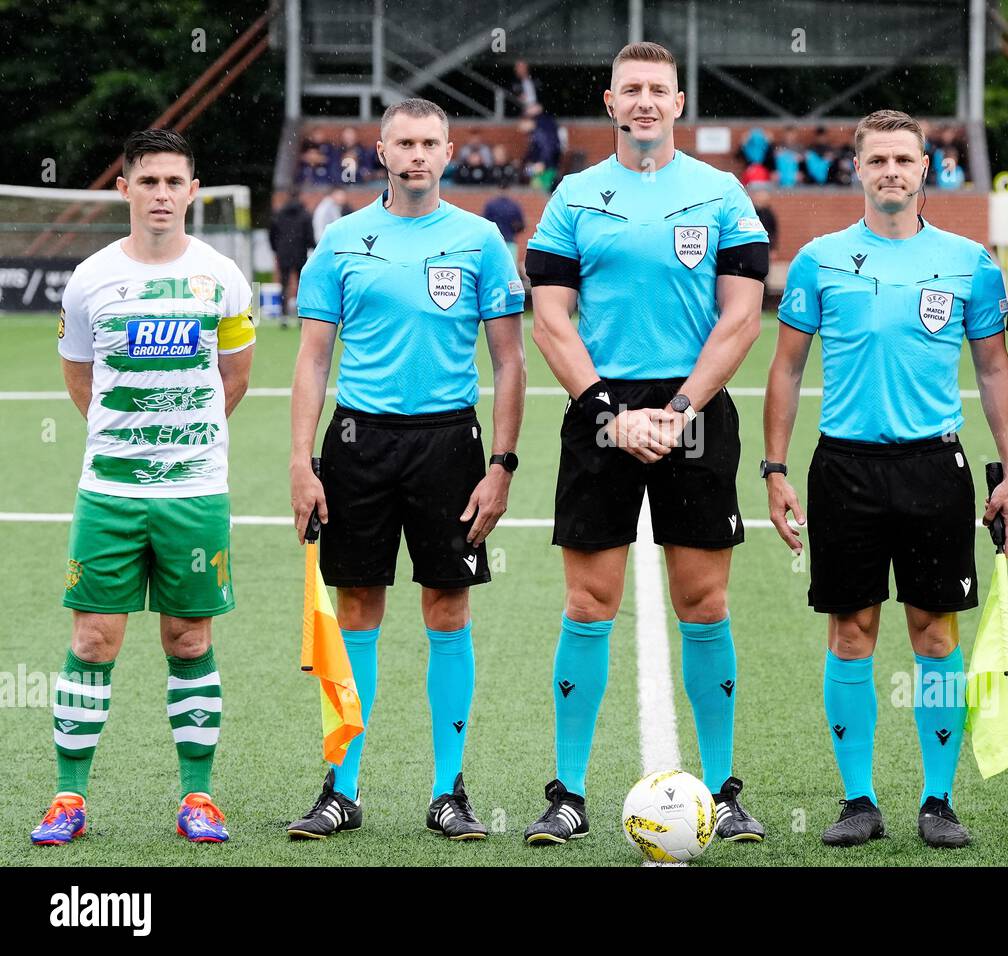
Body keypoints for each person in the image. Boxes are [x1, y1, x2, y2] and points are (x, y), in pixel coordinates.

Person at [523, 41, 770, 845]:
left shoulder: (723, 193)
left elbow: (741, 317)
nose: (643, 103)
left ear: (678, 102)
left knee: (705, 603)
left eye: (656, 90)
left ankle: (725, 790)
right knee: (589, 602)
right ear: (610, 101)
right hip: (601, 408)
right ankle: (567, 793)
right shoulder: (573, 195)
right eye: (630, 90)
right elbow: (552, 318)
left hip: (693, 405)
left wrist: (679, 408)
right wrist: (607, 409)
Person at [765, 109, 1008, 849]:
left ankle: (938, 800)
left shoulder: (969, 261)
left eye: (904, 160)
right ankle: (859, 800)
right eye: (877, 160)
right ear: (858, 168)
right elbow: (785, 368)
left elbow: (994, 367)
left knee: (935, 634)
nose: (891, 172)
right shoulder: (819, 259)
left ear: (925, 168)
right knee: (852, 632)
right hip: (842, 466)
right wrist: (776, 469)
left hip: (934, 467)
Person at [286, 98, 526, 841]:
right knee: (356, 611)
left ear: (450, 152)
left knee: (447, 610)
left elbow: (510, 361)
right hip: (359, 444)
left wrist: (502, 465)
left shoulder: (481, 240)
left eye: (430, 143)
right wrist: (302, 459)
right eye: (404, 143)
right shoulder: (341, 240)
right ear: (381, 153)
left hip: (450, 446)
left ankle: (448, 791)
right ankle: (342, 790)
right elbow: (313, 358)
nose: (417, 154)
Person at [33, 128, 256, 846]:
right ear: (123, 189)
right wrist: (130, 441)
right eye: (148, 182)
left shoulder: (223, 276)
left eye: (174, 183)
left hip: (195, 494)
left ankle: (198, 797)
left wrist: (182, 442)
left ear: (194, 192)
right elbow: (80, 380)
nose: (161, 195)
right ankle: (69, 796)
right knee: (94, 639)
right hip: (109, 493)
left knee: (189, 640)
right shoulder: (90, 278)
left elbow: (236, 377)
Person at [269, 189, 314, 321]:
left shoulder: (279, 214)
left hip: (283, 253)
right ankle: (302, 315)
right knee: (302, 284)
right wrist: (311, 247)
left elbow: (272, 235)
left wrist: (276, 249)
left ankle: (283, 315)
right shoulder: (305, 215)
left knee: (284, 284)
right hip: (300, 253)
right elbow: (310, 237)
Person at [482, 182, 525, 266]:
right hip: (510, 241)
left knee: (493, 267)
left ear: (498, 189)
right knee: (510, 269)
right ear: (509, 190)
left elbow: (485, 224)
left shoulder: (491, 205)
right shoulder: (514, 205)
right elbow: (521, 225)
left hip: (494, 242)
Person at [749, 183, 779, 255]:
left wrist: (773, 248)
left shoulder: (769, 213)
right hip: (752, 245)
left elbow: (773, 231)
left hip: (766, 245)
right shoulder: (751, 212)